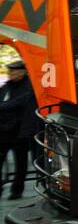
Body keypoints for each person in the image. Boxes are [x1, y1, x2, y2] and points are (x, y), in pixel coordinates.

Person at [0, 59, 39, 199]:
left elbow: (16, 104)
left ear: (22, 72)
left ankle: (17, 191)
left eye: (14, 71)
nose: (11, 73)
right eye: (10, 71)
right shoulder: (6, 87)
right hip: (3, 132)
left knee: (20, 163)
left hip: (19, 133)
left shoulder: (29, 87)